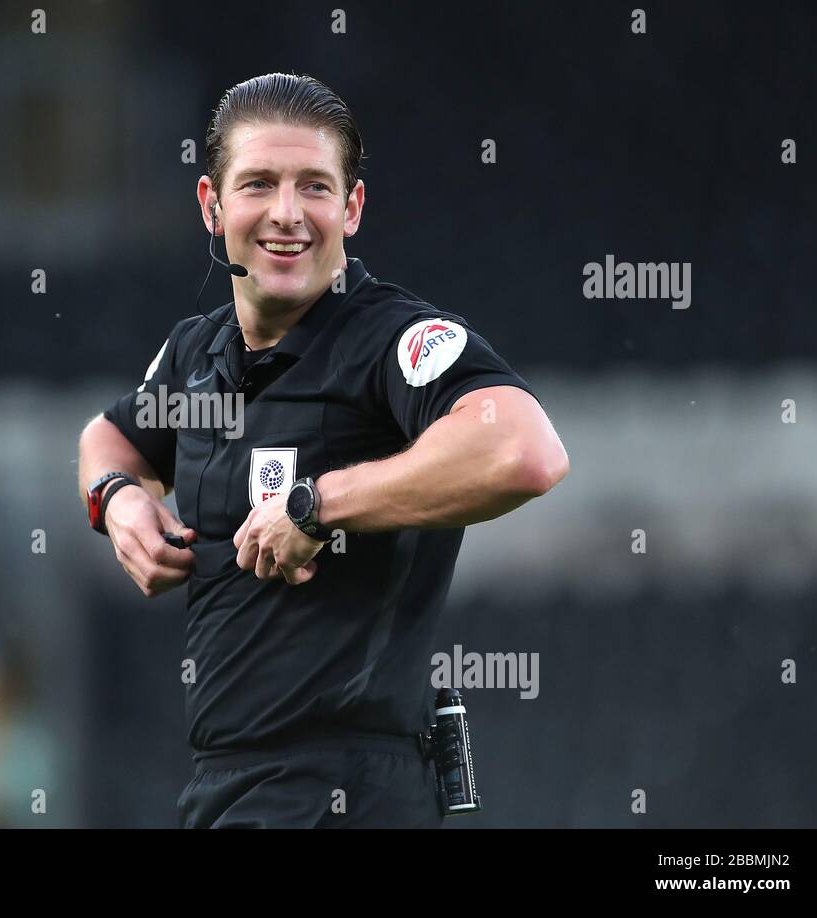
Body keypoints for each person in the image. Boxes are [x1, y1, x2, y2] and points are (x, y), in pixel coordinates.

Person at [77, 73, 569, 828]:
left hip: (344, 793)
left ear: (352, 207)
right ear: (212, 205)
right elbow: (108, 436)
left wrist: (318, 504)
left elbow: (526, 449)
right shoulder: (196, 354)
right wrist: (117, 498)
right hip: (222, 786)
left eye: (313, 186)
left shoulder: (388, 339)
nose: (286, 214)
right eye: (259, 184)